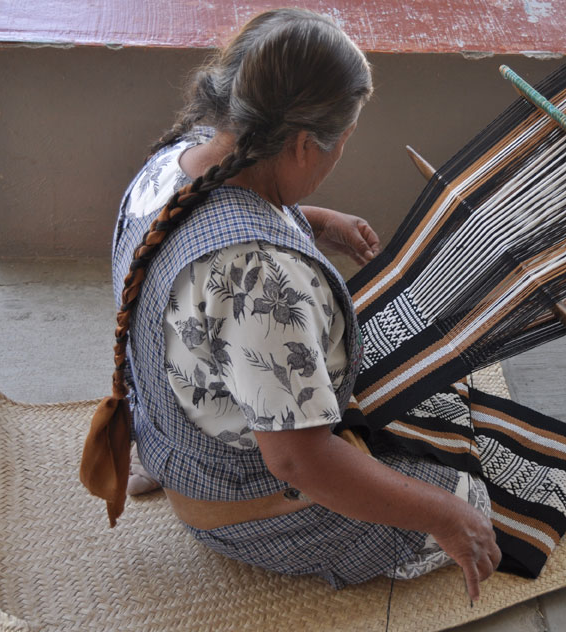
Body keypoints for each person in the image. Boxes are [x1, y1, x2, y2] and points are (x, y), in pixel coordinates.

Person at [96, 9, 500, 598]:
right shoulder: (260, 277)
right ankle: (261, 523)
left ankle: (171, 462)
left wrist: (311, 222)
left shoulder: (175, 160)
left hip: (167, 429)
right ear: (306, 145)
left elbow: (197, 242)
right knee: (475, 496)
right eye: (344, 140)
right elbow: (297, 463)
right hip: (240, 498)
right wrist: (443, 516)